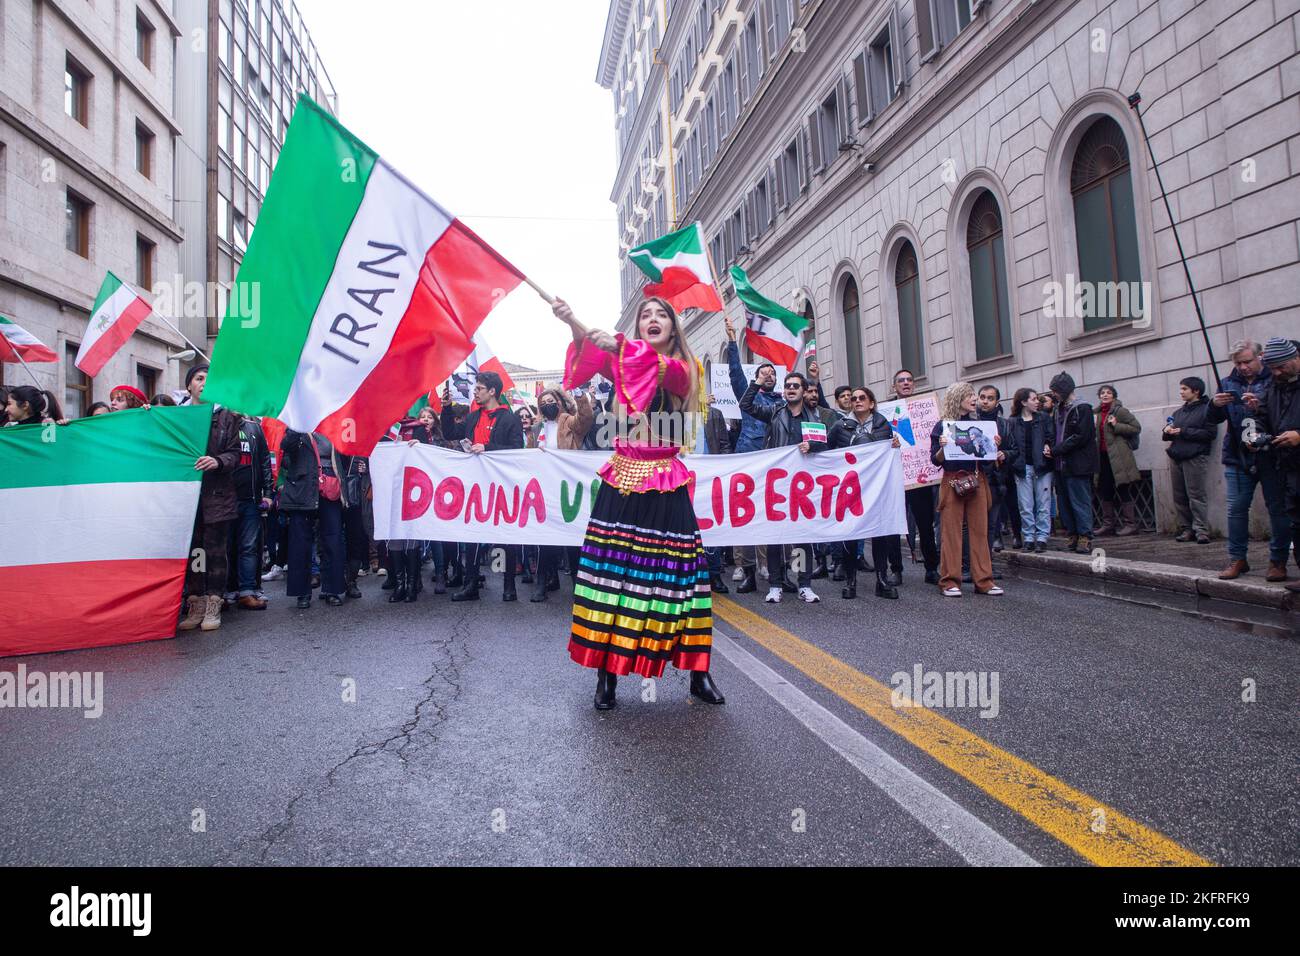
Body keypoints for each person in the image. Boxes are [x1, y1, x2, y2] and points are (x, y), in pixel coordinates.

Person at [552, 294, 724, 711]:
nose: (651, 318)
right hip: (622, 478)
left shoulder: (686, 369)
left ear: (672, 325)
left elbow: (660, 371)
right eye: (644, 314)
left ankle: (698, 673)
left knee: (684, 581)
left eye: (660, 314)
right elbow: (592, 355)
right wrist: (572, 321)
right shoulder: (625, 360)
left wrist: (618, 346)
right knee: (611, 580)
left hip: (665, 480)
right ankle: (605, 676)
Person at [1208, 340, 1292, 581]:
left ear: (1260, 357)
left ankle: (1278, 561)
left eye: (1247, 361)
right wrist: (1215, 405)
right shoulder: (1227, 383)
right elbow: (1212, 418)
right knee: (1236, 509)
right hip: (1237, 455)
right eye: (1238, 363)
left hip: (1271, 455)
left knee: (1277, 509)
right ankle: (1237, 559)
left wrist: (1259, 407)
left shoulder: (1275, 378)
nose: (1243, 367)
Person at [740, 370, 822, 604]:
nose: (791, 388)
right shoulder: (774, 413)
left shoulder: (815, 418)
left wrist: (813, 447)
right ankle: (775, 585)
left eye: (796, 385)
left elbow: (826, 447)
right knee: (776, 536)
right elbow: (746, 405)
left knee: (802, 538)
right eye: (788, 385)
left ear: (804, 391)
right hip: (778, 485)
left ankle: (804, 584)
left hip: (804, 487)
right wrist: (756, 383)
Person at [450, 370, 525, 603]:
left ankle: (508, 585)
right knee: (472, 534)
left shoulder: (510, 418)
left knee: (504, 535)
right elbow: (452, 433)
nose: (475, 391)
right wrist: (444, 409)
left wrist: (488, 448)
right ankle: (471, 584)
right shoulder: (472, 417)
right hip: (476, 484)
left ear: (492, 391)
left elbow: (516, 450)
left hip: (501, 485)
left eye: (480, 388)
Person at [176, 365, 241, 632]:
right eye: (199, 379)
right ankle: (196, 603)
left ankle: (215, 602)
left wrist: (217, 461)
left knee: (215, 551)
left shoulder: (227, 416)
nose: (204, 383)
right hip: (187, 499)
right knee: (195, 552)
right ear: (189, 385)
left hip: (218, 495)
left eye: (209, 379)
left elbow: (235, 454)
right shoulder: (176, 416)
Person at [828, 386, 902, 599]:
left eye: (862, 398)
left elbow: (888, 455)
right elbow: (828, 450)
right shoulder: (839, 427)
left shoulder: (882, 425)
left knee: (879, 534)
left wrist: (894, 447)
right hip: (850, 489)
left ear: (871, 403)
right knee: (852, 535)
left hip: (877, 489)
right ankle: (851, 581)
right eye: (854, 398)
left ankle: (882, 580)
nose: (857, 401)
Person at [930, 382, 1003, 597]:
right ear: (957, 398)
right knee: (951, 533)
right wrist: (943, 448)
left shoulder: (980, 425)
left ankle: (984, 581)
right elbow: (935, 460)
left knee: (980, 531)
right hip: (952, 480)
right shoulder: (942, 426)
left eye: (974, 395)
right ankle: (950, 581)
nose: (974, 398)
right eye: (969, 395)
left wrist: (995, 449)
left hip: (976, 480)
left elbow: (987, 462)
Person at [726, 315, 779, 591]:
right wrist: (733, 342)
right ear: (757, 377)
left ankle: (766, 563)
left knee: (768, 514)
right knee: (743, 513)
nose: (768, 375)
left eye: (772, 373)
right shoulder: (750, 396)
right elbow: (735, 374)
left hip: (772, 463)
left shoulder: (782, 403)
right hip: (747, 458)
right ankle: (741, 564)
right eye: (763, 372)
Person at [529, 385, 595, 602]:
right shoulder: (538, 428)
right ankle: (543, 583)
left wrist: (579, 397)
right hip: (546, 488)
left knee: (572, 538)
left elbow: (585, 419)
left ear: (559, 402)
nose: (547, 406)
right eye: (543, 404)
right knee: (546, 538)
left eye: (551, 402)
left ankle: (578, 585)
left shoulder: (568, 421)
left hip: (568, 488)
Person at [1249, 337, 1300, 594]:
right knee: (1297, 521)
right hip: (1288, 467)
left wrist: (1299, 436)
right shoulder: (1273, 388)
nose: (1277, 373)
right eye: (1273, 368)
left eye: (1281, 367)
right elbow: (1260, 418)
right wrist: (1254, 435)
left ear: (1295, 359)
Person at [279, 429, 346, 608]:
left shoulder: (333, 424)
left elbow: (344, 455)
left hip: (329, 490)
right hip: (302, 490)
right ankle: (302, 593)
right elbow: (285, 448)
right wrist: (297, 426)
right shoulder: (297, 425)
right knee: (300, 542)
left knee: (333, 539)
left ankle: (332, 590)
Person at [890, 370, 940, 584]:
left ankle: (931, 568)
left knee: (925, 524)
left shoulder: (926, 408)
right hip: (895, 478)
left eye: (909, 380)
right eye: (901, 381)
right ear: (895, 387)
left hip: (919, 477)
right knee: (894, 525)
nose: (906, 383)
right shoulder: (887, 412)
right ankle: (896, 570)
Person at [1046, 372, 1099, 554]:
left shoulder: (1082, 408)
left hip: (1077, 464)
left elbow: (1081, 437)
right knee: (1065, 502)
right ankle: (1073, 535)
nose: (1054, 394)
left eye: (1056, 390)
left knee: (1079, 500)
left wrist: (1056, 449)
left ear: (1064, 389)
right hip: (1061, 464)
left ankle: (1085, 536)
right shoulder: (1058, 409)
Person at [1163, 376, 1217, 544]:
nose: (1181, 392)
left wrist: (1183, 431)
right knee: (1179, 496)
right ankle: (1186, 528)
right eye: (1181, 389)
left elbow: (1210, 434)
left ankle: (1201, 530)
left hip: (1195, 456)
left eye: (1184, 389)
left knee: (1196, 495)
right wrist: (1167, 431)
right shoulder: (1178, 412)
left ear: (1196, 391)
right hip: (1177, 455)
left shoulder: (1207, 409)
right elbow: (1167, 433)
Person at [228, 413, 273, 611]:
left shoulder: (254, 428)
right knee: (226, 547)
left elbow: (264, 460)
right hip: (224, 499)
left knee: (249, 546)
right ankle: (228, 591)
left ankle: (247, 591)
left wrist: (268, 493)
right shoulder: (217, 425)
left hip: (250, 499)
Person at [1093, 384, 1143, 537]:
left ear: (1114, 396)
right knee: (1104, 489)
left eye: (1108, 393)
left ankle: (1130, 524)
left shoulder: (1120, 411)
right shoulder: (1096, 413)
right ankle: (1108, 525)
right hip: (1102, 457)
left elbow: (1136, 427)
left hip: (1119, 457)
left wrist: (1117, 425)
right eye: (1102, 393)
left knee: (1123, 487)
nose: (1105, 395)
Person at [976, 385, 1021, 553]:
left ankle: (992, 549)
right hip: (978, 476)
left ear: (997, 402)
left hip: (999, 477)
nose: (985, 401)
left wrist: (1004, 454)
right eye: (982, 397)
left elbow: (1015, 450)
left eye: (990, 398)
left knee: (994, 518)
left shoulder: (1005, 424)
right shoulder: (972, 423)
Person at [1010, 388, 1053, 552]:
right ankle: (1028, 536)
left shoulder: (1043, 418)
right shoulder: (1013, 421)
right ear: (1023, 402)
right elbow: (1011, 443)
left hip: (1042, 465)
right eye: (1033, 399)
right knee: (1025, 504)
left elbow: (1050, 436)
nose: (1037, 402)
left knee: (1043, 503)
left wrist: (1049, 445)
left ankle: (1042, 537)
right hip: (1022, 466)